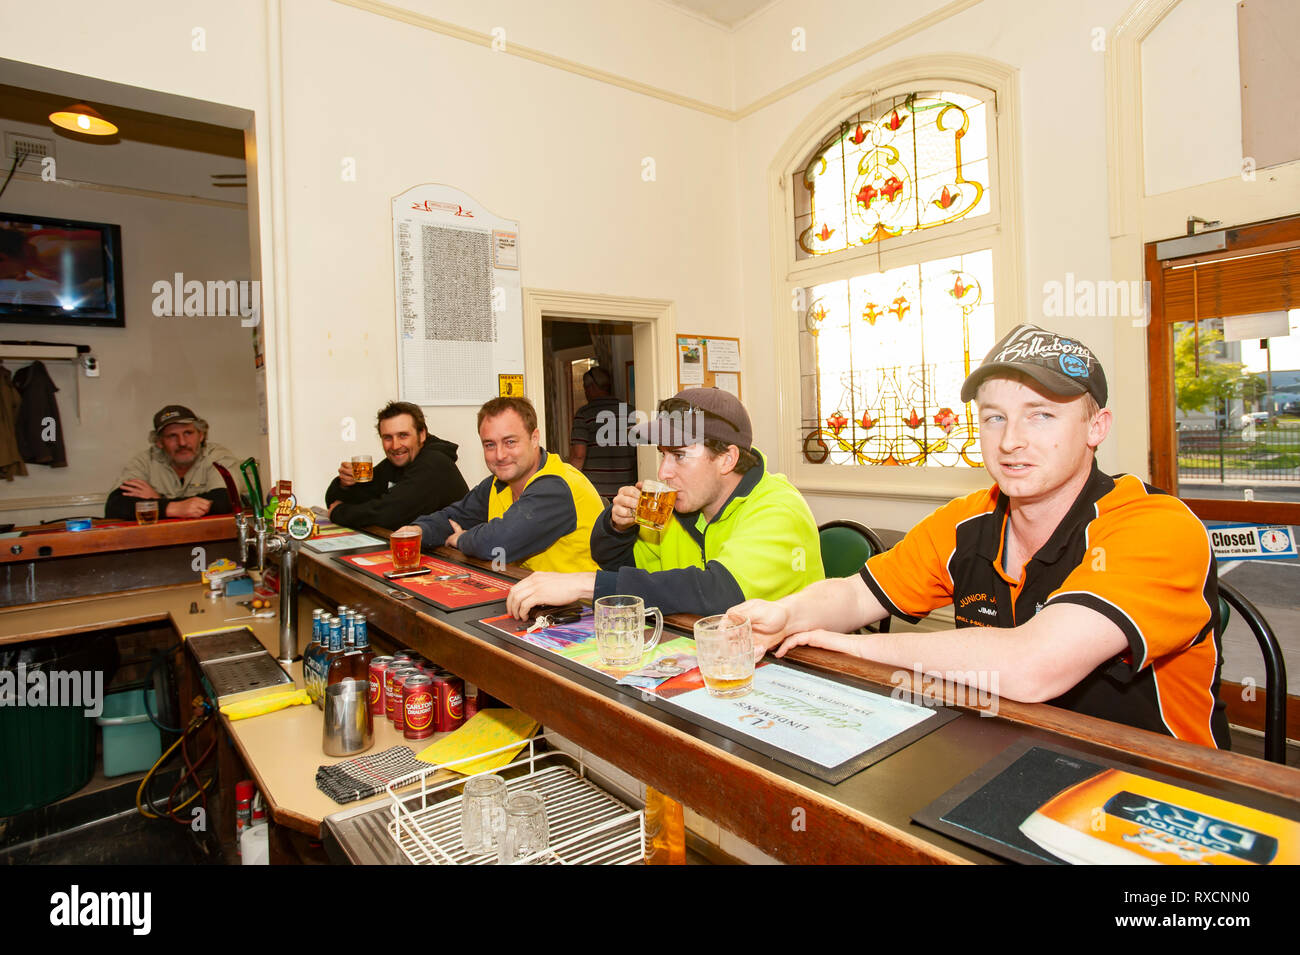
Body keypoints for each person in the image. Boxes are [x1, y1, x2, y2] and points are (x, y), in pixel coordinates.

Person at [730, 324, 1229, 749]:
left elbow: (1034, 667)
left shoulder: (1156, 525)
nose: (1010, 441)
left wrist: (853, 648)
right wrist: (789, 614)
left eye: (1042, 415)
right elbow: (857, 594)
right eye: (994, 418)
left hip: (1158, 787)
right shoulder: (969, 519)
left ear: (1096, 427)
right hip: (1004, 751)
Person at [506, 387, 824, 619]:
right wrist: (617, 528)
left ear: (727, 459)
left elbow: (718, 593)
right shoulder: (677, 506)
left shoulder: (780, 510)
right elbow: (620, 568)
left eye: (680, 455)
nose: (663, 472)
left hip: (796, 673)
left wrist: (582, 584)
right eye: (663, 454)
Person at [402, 396, 603, 572]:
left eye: (510, 442)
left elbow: (500, 542)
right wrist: (417, 532)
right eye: (490, 444)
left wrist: (462, 539)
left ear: (534, 438)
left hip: (584, 608)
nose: (499, 455)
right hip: (530, 598)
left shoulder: (557, 485)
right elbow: (453, 517)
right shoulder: (496, 484)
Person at [324, 401, 468, 530]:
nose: (395, 445)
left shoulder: (434, 463)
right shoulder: (396, 462)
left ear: (422, 434)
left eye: (403, 435)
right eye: (388, 438)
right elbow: (359, 498)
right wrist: (344, 485)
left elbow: (391, 514)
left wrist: (339, 513)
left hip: (454, 554)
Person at [105, 405, 241, 520]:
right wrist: (172, 508)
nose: (182, 442)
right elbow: (115, 505)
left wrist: (158, 501)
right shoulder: (144, 461)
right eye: (172, 436)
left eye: (188, 433)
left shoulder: (217, 456)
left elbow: (226, 501)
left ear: (201, 435)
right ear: (159, 442)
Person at [568, 365, 637, 499]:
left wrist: (569, 483)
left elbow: (578, 455)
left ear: (592, 387)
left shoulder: (584, 414)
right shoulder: (630, 411)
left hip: (595, 492)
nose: (585, 392)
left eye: (585, 387)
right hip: (627, 491)